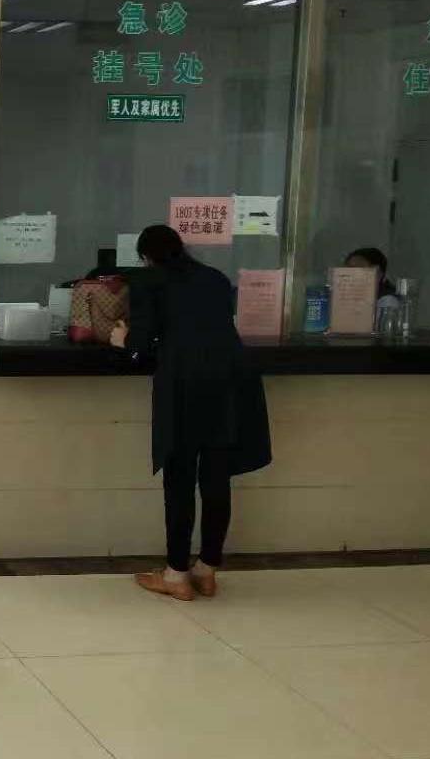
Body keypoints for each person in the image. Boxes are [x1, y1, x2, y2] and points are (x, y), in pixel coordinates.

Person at [109, 225, 271, 601]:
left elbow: (143, 343)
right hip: (231, 384)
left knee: (180, 480)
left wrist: (123, 340)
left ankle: (176, 574)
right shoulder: (214, 278)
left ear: (146, 256)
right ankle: (207, 569)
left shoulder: (148, 280)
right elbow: (207, 330)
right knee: (216, 480)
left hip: (185, 387)